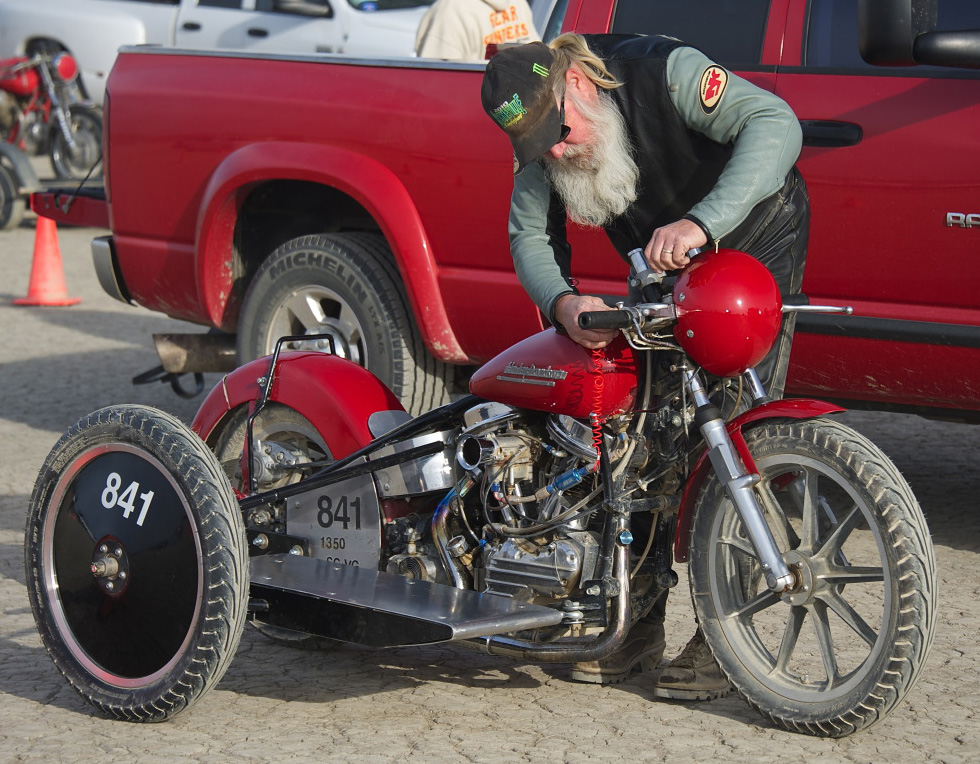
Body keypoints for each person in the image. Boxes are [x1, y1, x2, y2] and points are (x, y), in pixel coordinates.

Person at [480, 34, 809, 699]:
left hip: (749, 238)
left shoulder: (668, 75)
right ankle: (636, 630)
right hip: (661, 268)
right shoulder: (541, 132)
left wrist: (700, 223)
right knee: (642, 444)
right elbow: (529, 234)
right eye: (539, 144)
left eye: (560, 133)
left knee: (734, 437)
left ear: (576, 82)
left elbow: (777, 124)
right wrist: (563, 301)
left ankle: (727, 639)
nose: (555, 150)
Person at [415, 0, 538, 62]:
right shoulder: (518, 3)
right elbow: (542, 61)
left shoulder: (450, 11)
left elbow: (437, 83)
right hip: (519, 106)